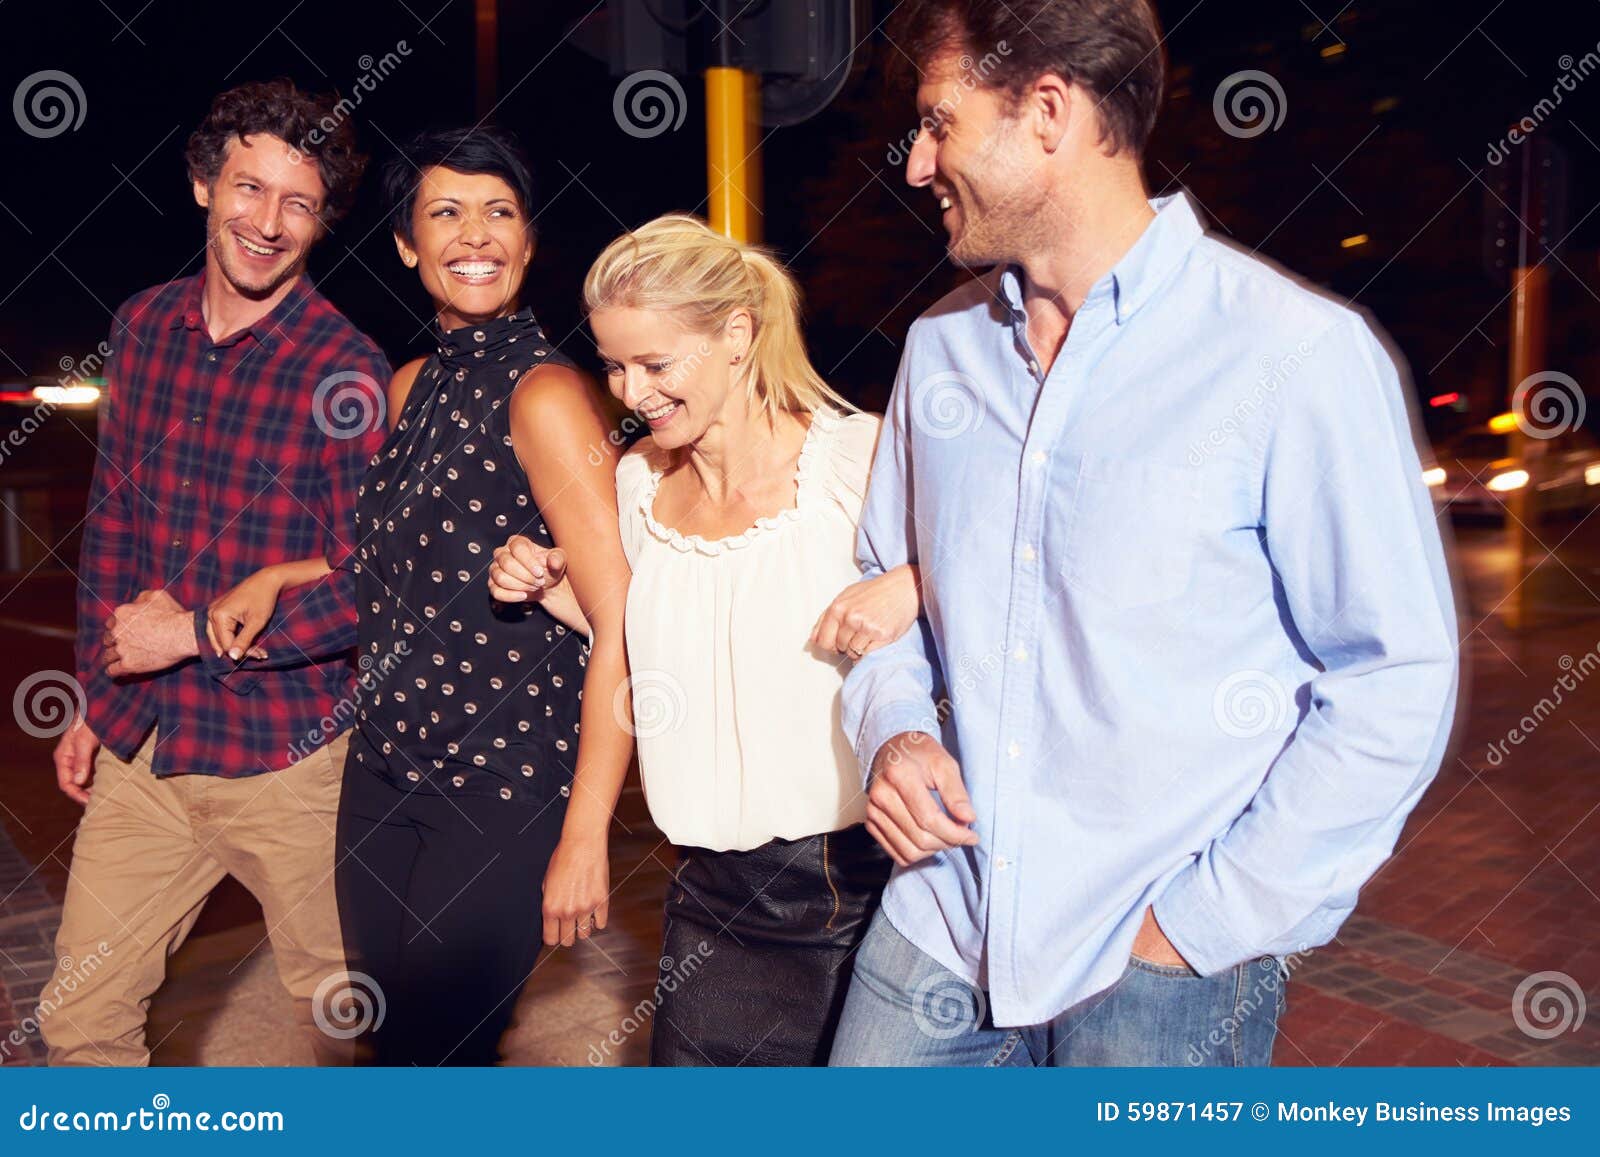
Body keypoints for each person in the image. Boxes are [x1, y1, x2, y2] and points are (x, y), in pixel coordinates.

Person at [829, 0, 1458, 1066]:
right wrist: (895, 724)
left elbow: (1394, 674)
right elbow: (889, 581)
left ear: (1046, 112)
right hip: (945, 915)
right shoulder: (940, 349)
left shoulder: (1293, 356)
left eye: (939, 123)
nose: (918, 163)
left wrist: (1205, 922)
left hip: (1153, 958)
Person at [208, 127, 633, 1065]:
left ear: (527, 245)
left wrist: (585, 833)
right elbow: (397, 568)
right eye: (444, 212)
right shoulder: (409, 385)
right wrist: (280, 576)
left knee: (445, 1056)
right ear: (406, 244)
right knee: (389, 1045)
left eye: (499, 213)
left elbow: (621, 624)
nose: (473, 233)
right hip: (385, 775)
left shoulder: (546, 395)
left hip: (500, 790)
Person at [489, 214, 922, 1065]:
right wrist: (552, 593)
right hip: (707, 888)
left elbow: (998, 588)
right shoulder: (640, 482)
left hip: (859, 881)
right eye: (614, 364)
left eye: (655, 362)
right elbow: (658, 631)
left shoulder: (855, 456)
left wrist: (914, 583)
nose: (630, 390)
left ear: (735, 336)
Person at [43, 80, 386, 1066]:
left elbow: (369, 586)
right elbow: (113, 529)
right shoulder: (143, 327)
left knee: (351, 1027)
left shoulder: (343, 372)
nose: (267, 222)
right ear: (204, 184)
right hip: (147, 750)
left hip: (288, 757)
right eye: (249, 188)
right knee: (78, 1020)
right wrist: (93, 691)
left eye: (299, 202)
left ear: (322, 222)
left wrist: (190, 631)